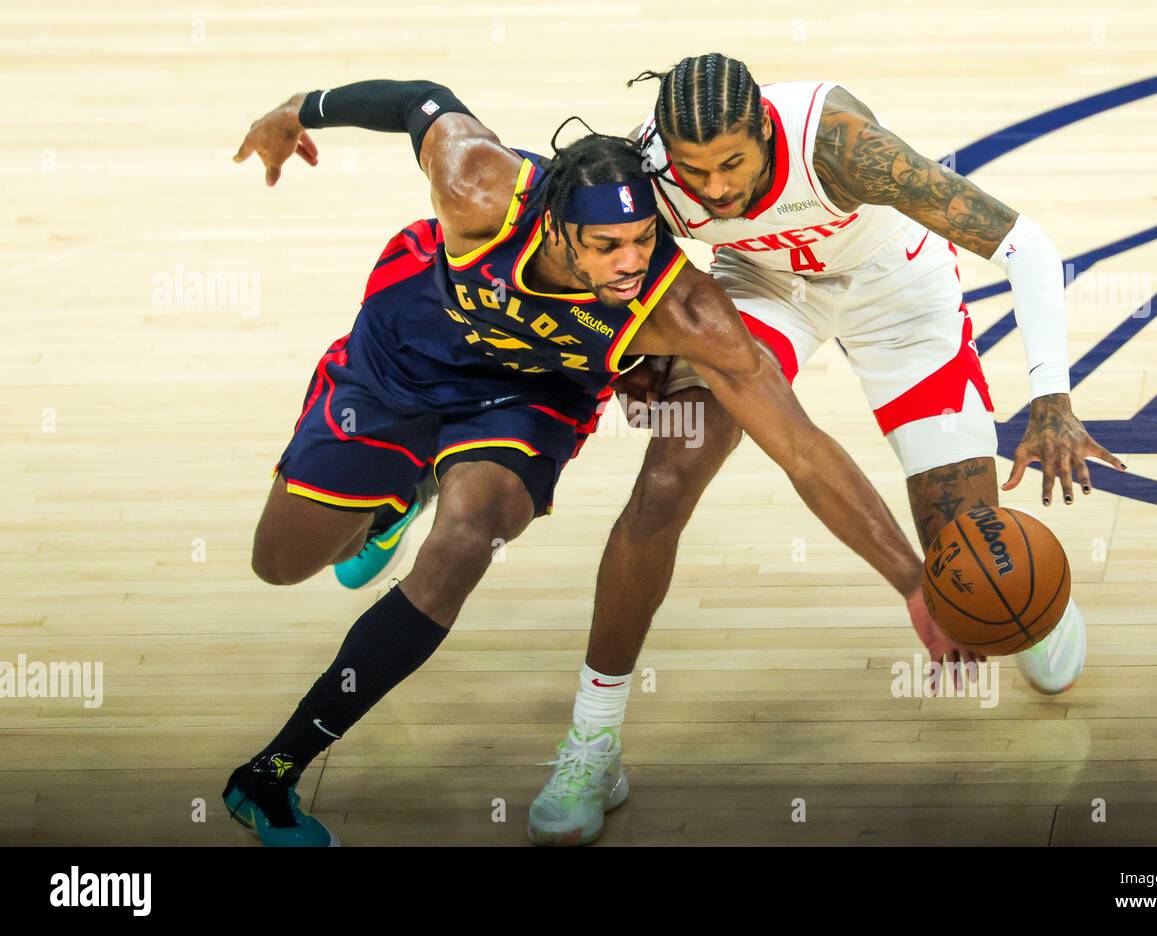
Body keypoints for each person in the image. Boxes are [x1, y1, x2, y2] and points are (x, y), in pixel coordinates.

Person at [225, 78, 943, 846]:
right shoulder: (478, 187)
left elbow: (802, 448)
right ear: (558, 232)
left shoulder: (684, 309)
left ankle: (269, 775)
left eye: (643, 242)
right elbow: (419, 99)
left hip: (534, 393)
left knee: (469, 536)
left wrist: (911, 579)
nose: (630, 263)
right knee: (283, 563)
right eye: (606, 248)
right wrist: (298, 110)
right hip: (398, 359)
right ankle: (393, 497)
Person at [528, 53, 1125, 846]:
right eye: (694, 169)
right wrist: (627, 356)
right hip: (759, 288)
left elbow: (1028, 246)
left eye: (732, 164)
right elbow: (584, 252)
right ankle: (592, 742)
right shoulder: (649, 169)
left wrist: (1050, 393)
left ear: (765, 134)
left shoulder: (838, 144)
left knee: (974, 570)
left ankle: (1024, 590)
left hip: (898, 291)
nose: (712, 189)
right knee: (667, 479)